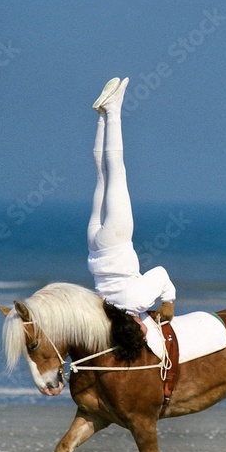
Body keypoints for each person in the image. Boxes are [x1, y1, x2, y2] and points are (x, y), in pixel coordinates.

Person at [87, 77, 176, 321]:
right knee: (102, 177)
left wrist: (169, 300)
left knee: (116, 173)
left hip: (114, 243)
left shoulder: (137, 302)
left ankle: (113, 111)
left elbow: (160, 274)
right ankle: (103, 117)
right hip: (95, 249)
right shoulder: (106, 312)